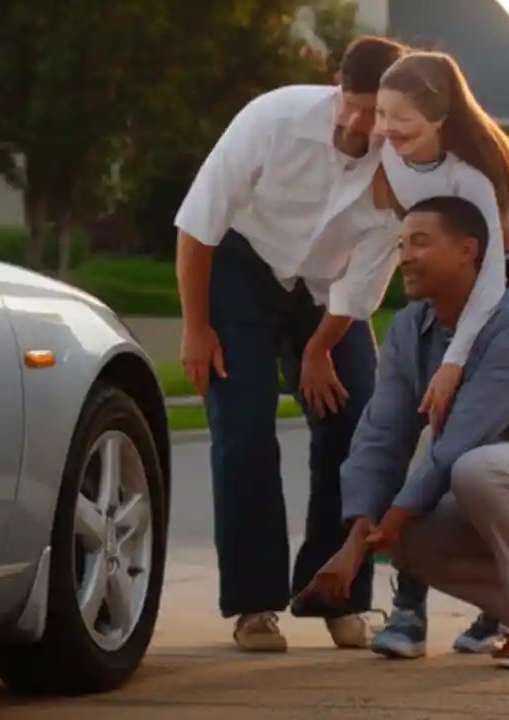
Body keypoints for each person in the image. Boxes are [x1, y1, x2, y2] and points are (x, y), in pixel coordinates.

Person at [295, 195, 509, 669]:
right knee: (404, 540)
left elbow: (460, 442)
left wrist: (389, 522)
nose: (404, 256)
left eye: (421, 242)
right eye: (402, 244)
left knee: (476, 467)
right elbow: (383, 433)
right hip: (484, 480)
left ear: (468, 251)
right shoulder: (411, 328)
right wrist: (359, 537)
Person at [173, 35, 408, 652]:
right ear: (337, 84)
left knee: (355, 425)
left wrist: (319, 349)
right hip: (241, 270)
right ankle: (254, 606)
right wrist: (197, 329)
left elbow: (368, 275)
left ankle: (335, 595)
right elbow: (198, 227)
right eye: (353, 104)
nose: (360, 123)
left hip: (330, 296)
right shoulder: (271, 119)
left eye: (375, 112)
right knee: (244, 429)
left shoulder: (400, 160)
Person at [367, 50, 509, 658]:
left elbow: (489, 279)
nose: (388, 131)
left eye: (404, 120)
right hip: (462, 274)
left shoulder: (471, 174)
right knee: (422, 429)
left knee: (482, 440)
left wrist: (454, 365)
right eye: (383, 115)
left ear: (441, 118)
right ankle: (411, 613)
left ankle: (497, 609)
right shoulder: (391, 155)